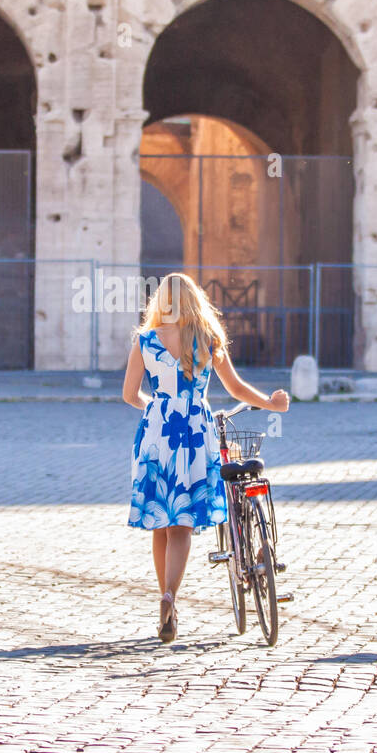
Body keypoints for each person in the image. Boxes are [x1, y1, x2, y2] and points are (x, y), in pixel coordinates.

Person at [121, 272, 290, 643]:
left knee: (160, 522)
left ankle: (165, 600)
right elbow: (235, 387)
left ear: (160, 302)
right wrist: (271, 403)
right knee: (182, 524)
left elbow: (130, 394)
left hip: (157, 432)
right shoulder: (207, 340)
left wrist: (158, 407)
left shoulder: (146, 341)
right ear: (194, 300)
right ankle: (171, 593)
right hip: (196, 430)